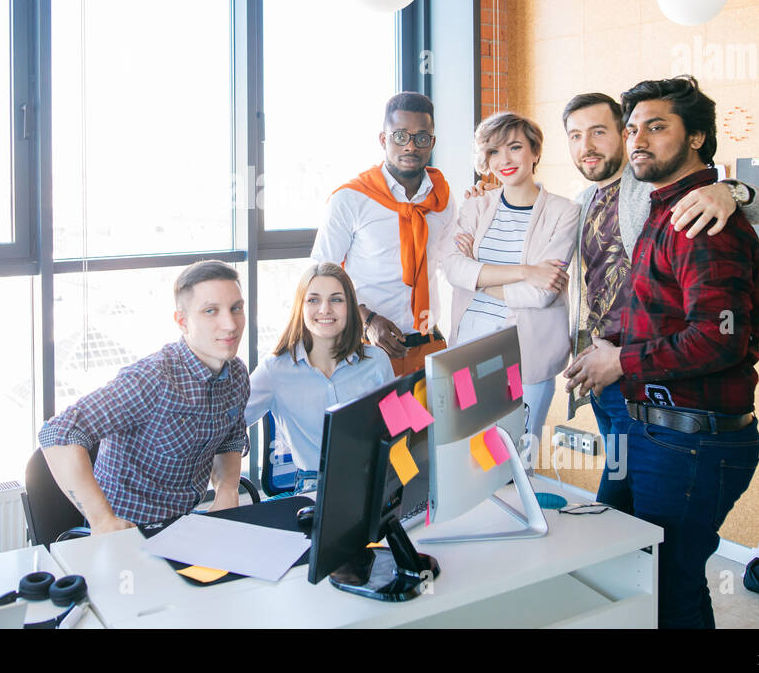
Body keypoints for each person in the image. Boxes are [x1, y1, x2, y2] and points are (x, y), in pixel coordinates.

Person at [565, 75, 759, 629]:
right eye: (633, 128)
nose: (638, 140)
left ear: (697, 137)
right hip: (650, 424)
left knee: (669, 586)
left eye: (656, 128)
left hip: (691, 440)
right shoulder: (662, 205)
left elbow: (720, 338)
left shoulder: (702, 217)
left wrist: (620, 361)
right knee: (638, 570)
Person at [37, 260, 249, 532]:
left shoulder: (237, 376)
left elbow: (231, 435)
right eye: (211, 311)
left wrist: (227, 489)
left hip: (184, 527)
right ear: (183, 322)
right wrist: (102, 519)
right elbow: (57, 433)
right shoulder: (152, 380)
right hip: (127, 533)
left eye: (236, 308)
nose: (230, 324)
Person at [440, 112, 579, 468]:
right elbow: (453, 268)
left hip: (525, 357)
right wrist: (523, 271)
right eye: (494, 152)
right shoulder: (476, 205)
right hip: (467, 354)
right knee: (467, 463)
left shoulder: (564, 212)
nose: (504, 160)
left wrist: (480, 277)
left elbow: (542, 293)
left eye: (515, 147)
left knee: (514, 464)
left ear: (535, 152)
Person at [312, 92, 455, 376]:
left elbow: (451, 265)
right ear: (383, 139)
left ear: (432, 142)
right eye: (400, 136)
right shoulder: (351, 198)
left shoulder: (442, 198)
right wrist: (366, 319)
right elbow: (319, 276)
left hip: (428, 346)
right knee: (373, 423)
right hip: (365, 348)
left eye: (421, 138)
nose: (411, 146)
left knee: (431, 422)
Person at [247, 263, 395, 495]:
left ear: (350, 307)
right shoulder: (275, 369)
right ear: (301, 307)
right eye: (313, 300)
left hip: (372, 481)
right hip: (313, 489)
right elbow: (227, 424)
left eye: (336, 300)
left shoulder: (377, 361)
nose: (325, 309)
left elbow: (403, 430)